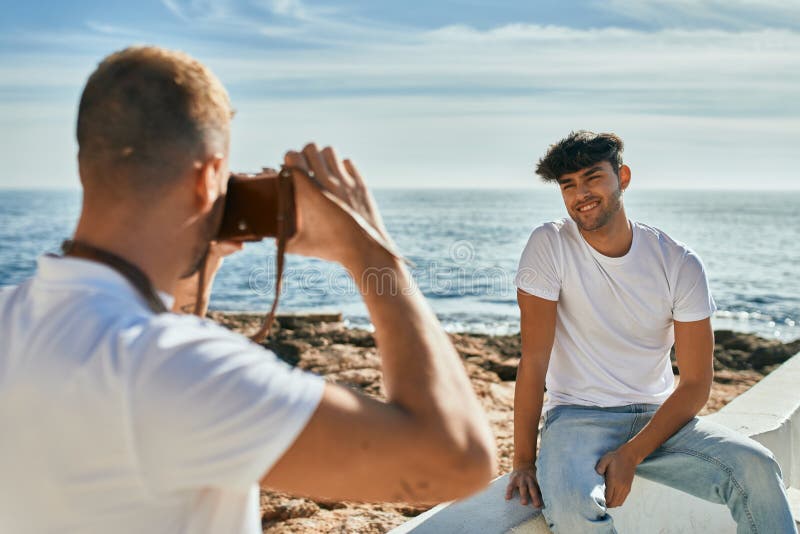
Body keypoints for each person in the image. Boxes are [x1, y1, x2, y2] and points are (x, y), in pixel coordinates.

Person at [0, 46, 496, 533]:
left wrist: (195, 272)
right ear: (210, 177)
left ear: (88, 164)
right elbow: (459, 461)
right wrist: (369, 248)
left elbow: (148, 418)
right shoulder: (178, 368)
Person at [505, 131, 796, 533]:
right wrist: (522, 461)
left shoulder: (678, 262)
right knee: (572, 509)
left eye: (593, 178)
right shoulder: (549, 244)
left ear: (622, 177)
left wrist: (632, 454)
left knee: (758, 468)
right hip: (576, 418)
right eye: (568, 185)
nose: (581, 194)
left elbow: (696, 383)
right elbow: (534, 360)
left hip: (657, 418)